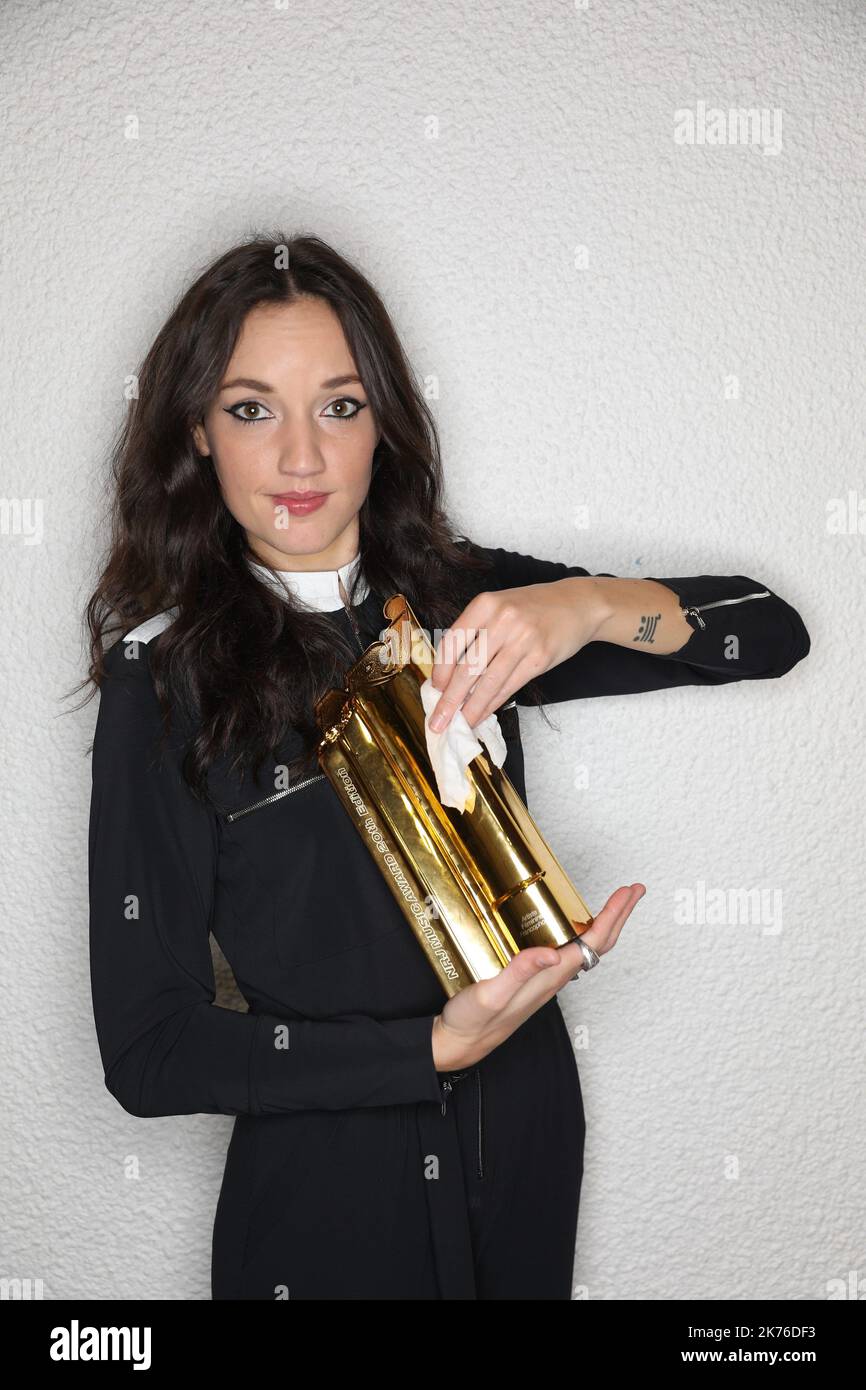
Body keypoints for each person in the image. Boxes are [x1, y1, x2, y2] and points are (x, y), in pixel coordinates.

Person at [82, 233, 810, 1300]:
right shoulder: (160, 679)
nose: (300, 458)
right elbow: (148, 1052)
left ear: (382, 422)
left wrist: (584, 606)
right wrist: (427, 1048)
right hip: (325, 1185)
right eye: (250, 409)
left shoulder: (459, 603)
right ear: (196, 430)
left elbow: (769, 629)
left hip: (521, 1138)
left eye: (338, 406)